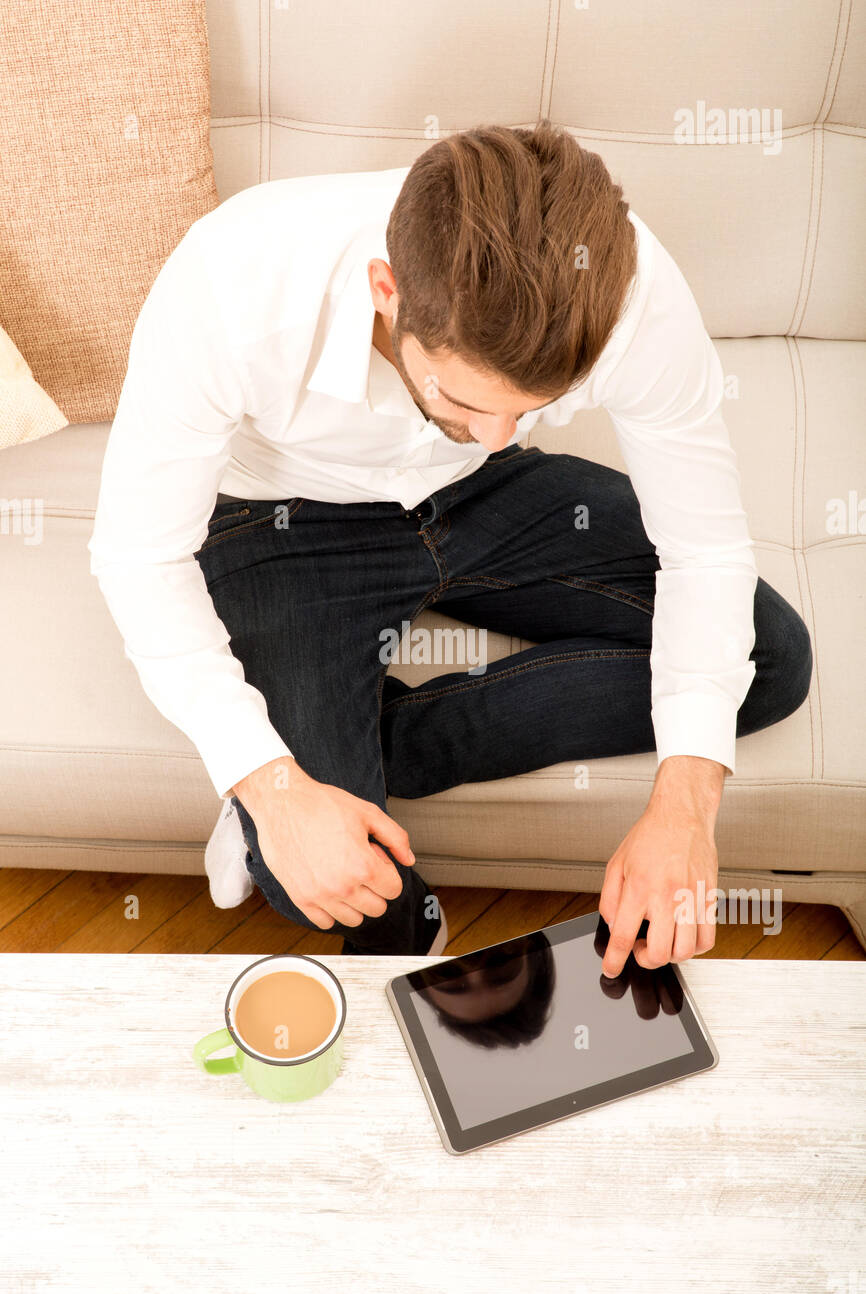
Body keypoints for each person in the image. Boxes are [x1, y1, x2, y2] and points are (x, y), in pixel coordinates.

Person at [88, 121, 812, 972]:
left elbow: (706, 549)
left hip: (479, 496)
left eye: (534, 404)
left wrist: (686, 809)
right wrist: (272, 786)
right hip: (283, 522)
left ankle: (378, 740)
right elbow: (138, 557)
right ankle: (314, 758)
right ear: (386, 291)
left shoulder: (621, 289)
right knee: (311, 884)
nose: (501, 431)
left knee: (773, 659)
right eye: (467, 399)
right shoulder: (230, 284)